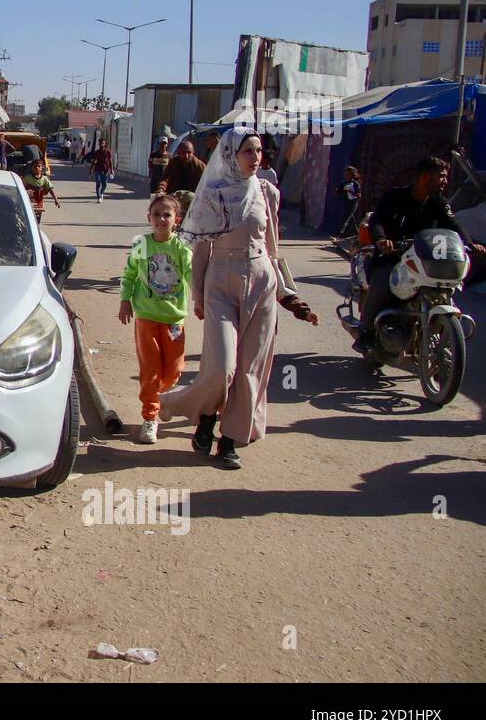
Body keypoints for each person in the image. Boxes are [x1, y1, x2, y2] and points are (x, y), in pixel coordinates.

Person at [160, 127, 317, 469]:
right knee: (222, 367)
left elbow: (273, 250)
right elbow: (201, 251)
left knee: (250, 369)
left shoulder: (266, 192)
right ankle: (203, 416)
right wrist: (198, 295)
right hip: (220, 281)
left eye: (259, 151)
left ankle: (229, 439)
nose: (255, 157)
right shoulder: (213, 195)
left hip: (262, 282)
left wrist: (288, 294)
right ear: (231, 154)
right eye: (248, 151)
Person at [358, 156, 486, 351]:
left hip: (424, 259)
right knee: (381, 284)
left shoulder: (439, 201)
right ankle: (365, 332)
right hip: (392, 257)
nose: (445, 181)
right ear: (425, 177)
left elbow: (453, 225)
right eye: (441, 176)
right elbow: (378, 221)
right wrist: (382, 240)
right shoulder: (394, 197)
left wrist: (470, 244)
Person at [118, 194, 191, 444]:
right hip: (146, 318)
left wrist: (204, 301)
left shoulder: (181, 250)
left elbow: (193, 276)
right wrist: (125, 300)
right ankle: (150, 417)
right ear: (148, 218)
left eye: (167, 214)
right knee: (150, 370)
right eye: (157, 214)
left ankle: (159, 397)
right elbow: (128, 274)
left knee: (174, 371)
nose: (162, 218)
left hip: (173, 320)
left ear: (176, 220)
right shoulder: (141, 244)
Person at [334, 165, 362, 240]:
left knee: (345, 219)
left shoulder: (355, 184)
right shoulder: (344, 183)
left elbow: (359, 195)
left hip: (353, 203)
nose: (346, 176)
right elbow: (338, 191)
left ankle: (337, 236)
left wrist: (350, 191)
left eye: (348, 174)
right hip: (346, 203)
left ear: (352, 175)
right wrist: (337, 191)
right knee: (351, 220)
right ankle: (359, 235)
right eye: (346, 174)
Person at [90, 138, 114, 203]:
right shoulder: (96, 152)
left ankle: (101, 192)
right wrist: (90, 170)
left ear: (104, 143)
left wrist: (111, 170)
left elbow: (110, 161)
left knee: (105, 184)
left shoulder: (108, 152)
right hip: (97, 170)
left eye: (103, 143)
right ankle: (99, 197)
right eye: (100, 143)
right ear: (99, 144)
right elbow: (93, 161)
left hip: (105, 170)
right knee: (98, 183)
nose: (101, 144)